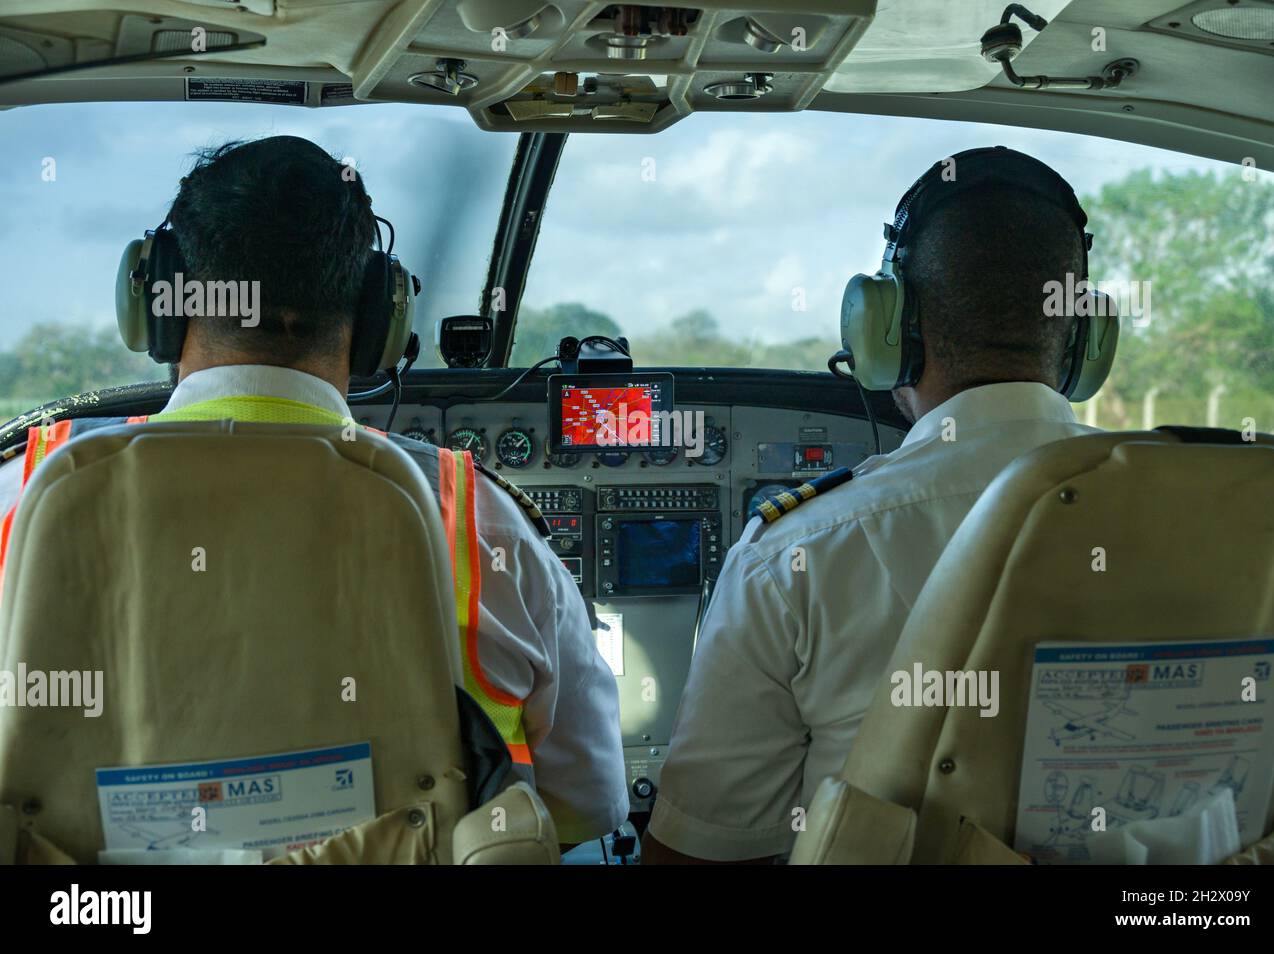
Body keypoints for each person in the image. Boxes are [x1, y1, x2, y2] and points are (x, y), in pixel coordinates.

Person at [0, 136, 627, 846]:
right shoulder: (484, 527)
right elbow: (585, 805)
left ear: (156, 302)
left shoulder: (20, 500)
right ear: (378, 320)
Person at [643, 147, 1106, 863]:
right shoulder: (1232, 527)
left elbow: (699, 853)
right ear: (1085, 337)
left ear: (887, 328)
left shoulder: (793, 557)